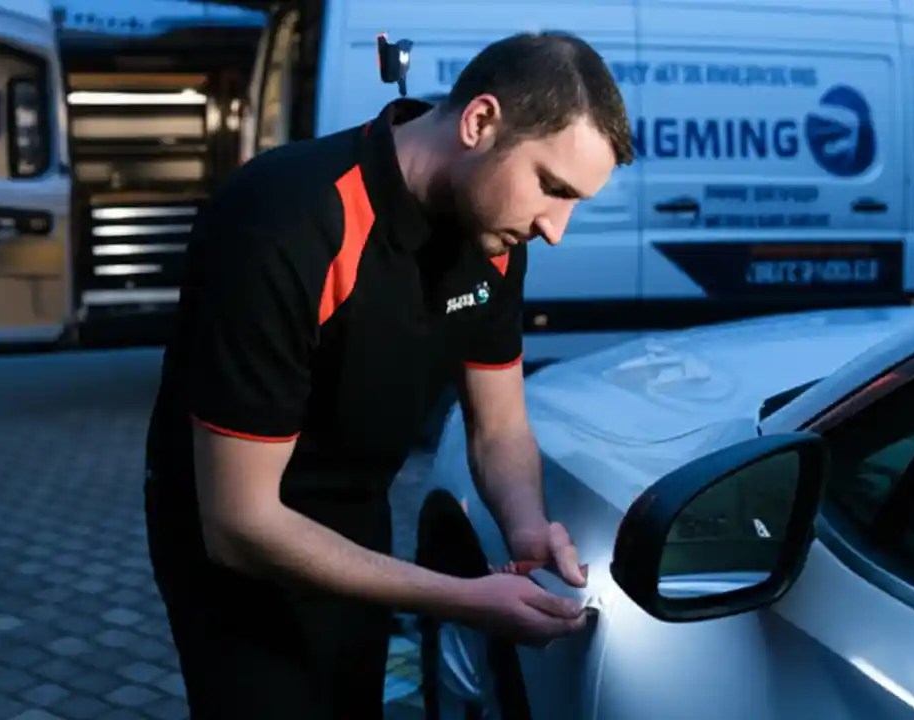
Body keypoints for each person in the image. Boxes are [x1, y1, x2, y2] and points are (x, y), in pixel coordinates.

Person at [142, 29, 634, 719]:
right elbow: (239, 523)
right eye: (552, 188)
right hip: (237, 547)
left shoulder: (494, 236)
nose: (557, 229)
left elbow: (498, 429)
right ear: (480, 122)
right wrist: (464, 597)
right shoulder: (284, 222)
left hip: (356, 523)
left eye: (576, 201)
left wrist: (526, 529)